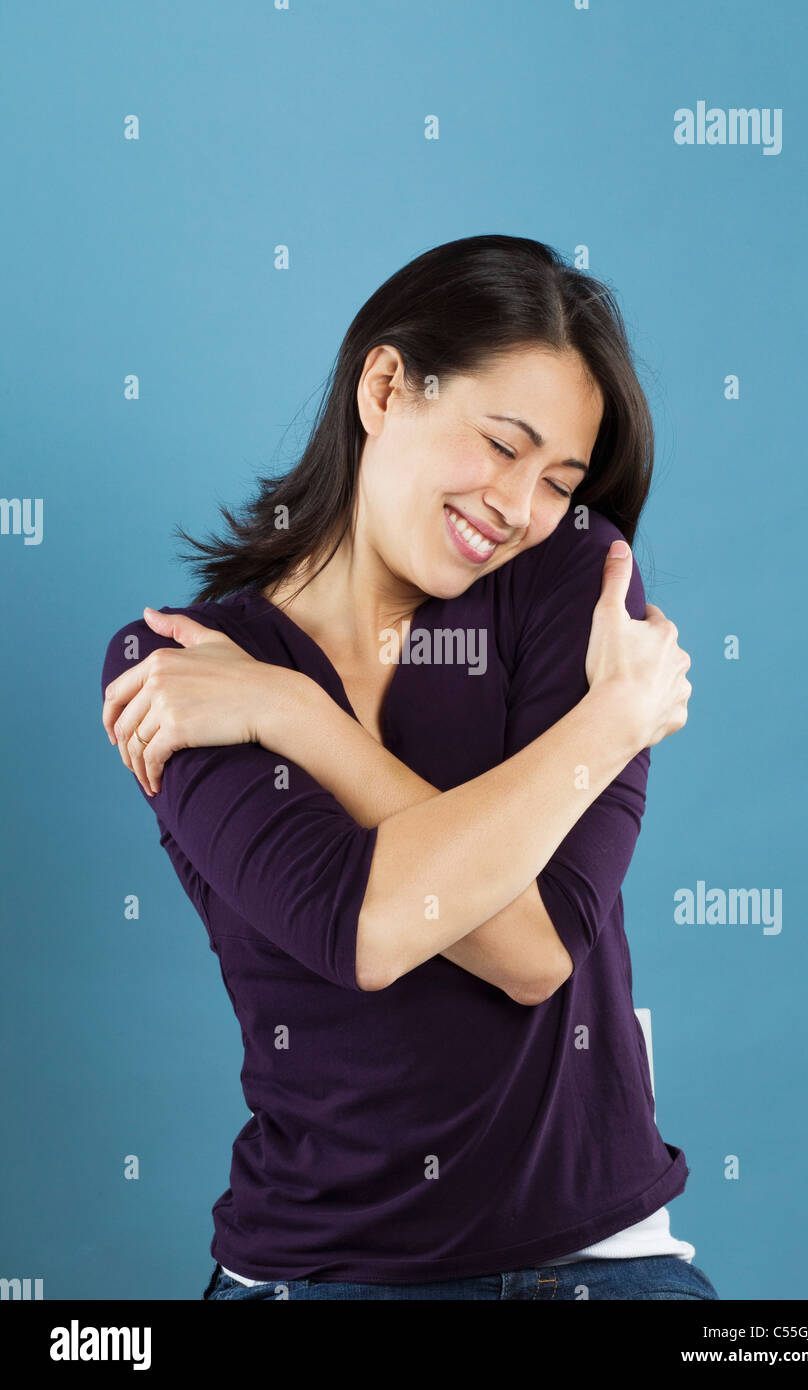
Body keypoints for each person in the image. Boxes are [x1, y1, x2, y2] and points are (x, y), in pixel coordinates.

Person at [99, 234, 718, 1301]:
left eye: (557, 476)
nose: (520, 504)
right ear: (385, 385)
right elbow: (371, 926)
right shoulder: (180, 668)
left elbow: (531, 950)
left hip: (601, 1261)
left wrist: (300, 720)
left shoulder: (569, 577)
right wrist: (612, 719)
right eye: (501, 443)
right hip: (323, 1271)